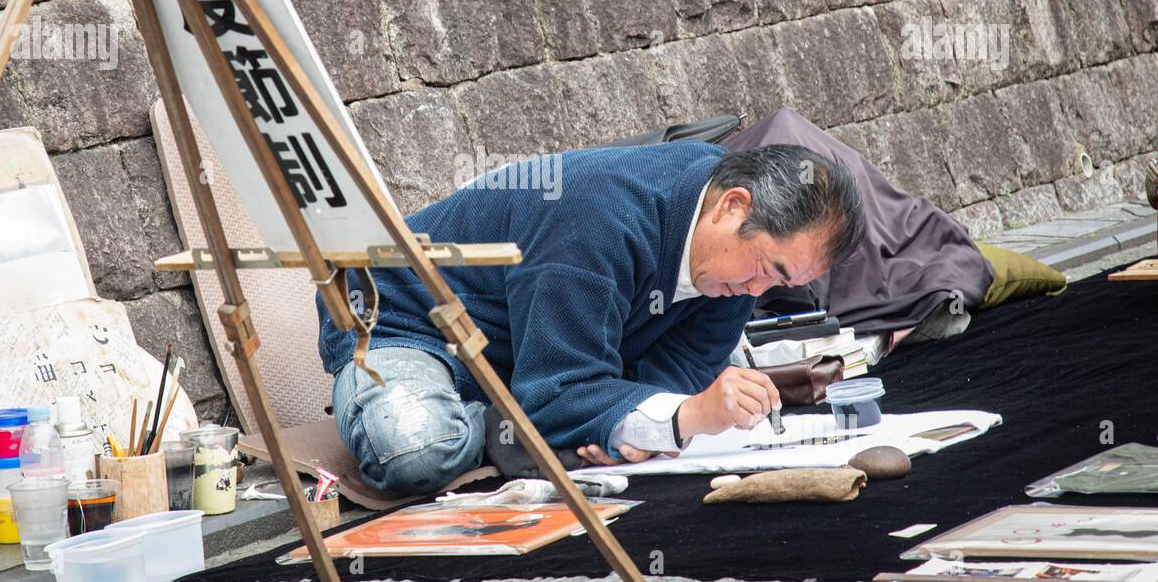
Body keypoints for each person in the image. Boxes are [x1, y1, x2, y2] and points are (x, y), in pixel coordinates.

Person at [318, 141, 865, 495]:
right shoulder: (599, 218)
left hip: (533, 351)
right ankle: (496, 425)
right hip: (407, 324)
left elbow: (682, 367)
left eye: (781, 283)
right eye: (767, 268)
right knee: (413, 450)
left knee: (592, 410)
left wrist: (631, 430)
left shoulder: (734, 262)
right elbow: (562, 388)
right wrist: (674, 418)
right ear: (731, 207)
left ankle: (529, 418)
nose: (756, 290)